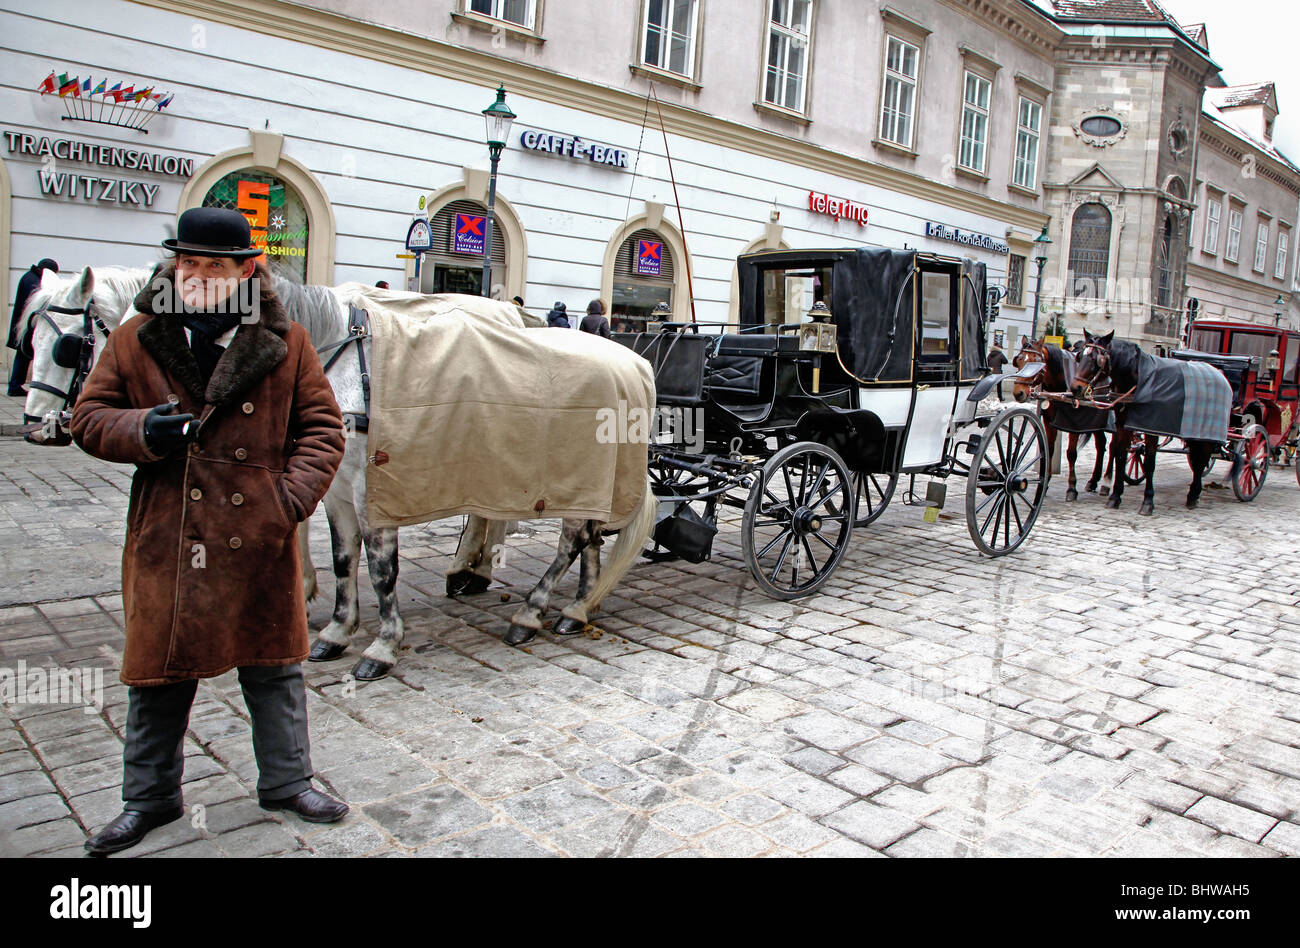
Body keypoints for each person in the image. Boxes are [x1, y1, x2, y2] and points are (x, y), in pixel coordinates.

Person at [70, 207, 348, 856]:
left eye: (212, 265)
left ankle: (287, 782)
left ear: (245, 270)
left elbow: (323, 431)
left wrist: (285, 503)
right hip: (172, 536)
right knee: (158, 675)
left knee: (274, 668)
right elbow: (88, 418)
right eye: (186, 261)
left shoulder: (288, 342)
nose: (194, 275)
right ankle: (149, 800)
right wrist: (143, 431)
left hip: (258, 535)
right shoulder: (137, 337)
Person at [7, 258, 59, 396]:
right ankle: (15, 386)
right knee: (24, 355)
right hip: (28, 326)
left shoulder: (29, 277)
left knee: (23, 355)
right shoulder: (34, 281)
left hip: (24, 325)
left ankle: (16, 385)